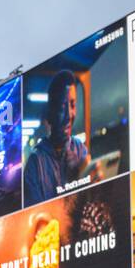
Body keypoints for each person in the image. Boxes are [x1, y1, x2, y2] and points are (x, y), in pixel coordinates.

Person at [23, 70, 95, 205]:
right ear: (51, 111)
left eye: (72, 105)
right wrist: (74, 184)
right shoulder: (35, 163)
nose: (69, 115)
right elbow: (42, 218)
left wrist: (96, 186)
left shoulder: (79, 148)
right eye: (62, 107)